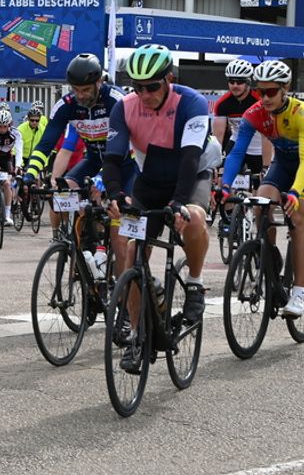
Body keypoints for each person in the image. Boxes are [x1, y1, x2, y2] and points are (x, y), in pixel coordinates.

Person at [102, 44, 214, 373]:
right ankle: (139, 336)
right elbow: (112, 158)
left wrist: (178, 202)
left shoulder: (191, 102)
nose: (144, 93)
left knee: (192, 219)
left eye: (151, 86)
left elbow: (191, 158)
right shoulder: (124, 107)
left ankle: (194, 282)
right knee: (131, 258)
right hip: (150, 179)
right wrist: (114, 194)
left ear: (169, 79)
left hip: (190, 174)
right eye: (137, 87)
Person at [220, 60, 304, 318]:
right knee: (259, 205)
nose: (264, 97)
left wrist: (295, 192)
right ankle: (271, 259)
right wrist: (223, 185)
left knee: (297, 218)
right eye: (260, 91)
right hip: (282, 163)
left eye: (270, 92)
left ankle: (299, 293)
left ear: (285, 89)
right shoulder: (254, 114)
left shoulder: (303, 113)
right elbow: (237, 151)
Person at [22, 53, 124, 240]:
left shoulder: (115, 100)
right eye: (75, 89)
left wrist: (103, 177)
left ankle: (109, 252)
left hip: (122, 163)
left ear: (99, 82)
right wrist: (30, 174)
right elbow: (45, 145)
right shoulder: (66, 105)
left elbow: (129, 145)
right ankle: (75, 245)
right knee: (64, 191)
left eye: (85, 90)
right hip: (93, 160)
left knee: (117, 224)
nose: (80, 95)